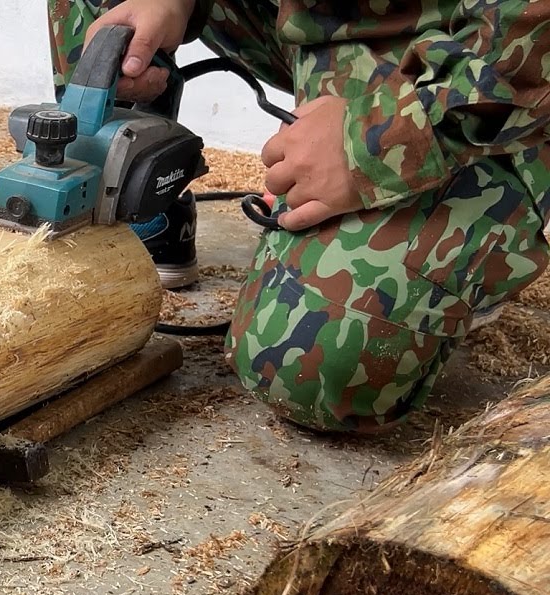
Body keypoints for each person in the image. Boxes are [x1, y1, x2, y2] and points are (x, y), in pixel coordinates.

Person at [48, 0, 550, 433]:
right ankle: (141, 198)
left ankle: (483, 214)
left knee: (308, 368)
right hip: (323, 23)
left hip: (483, 61)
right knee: (115, 22)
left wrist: (372, 141)